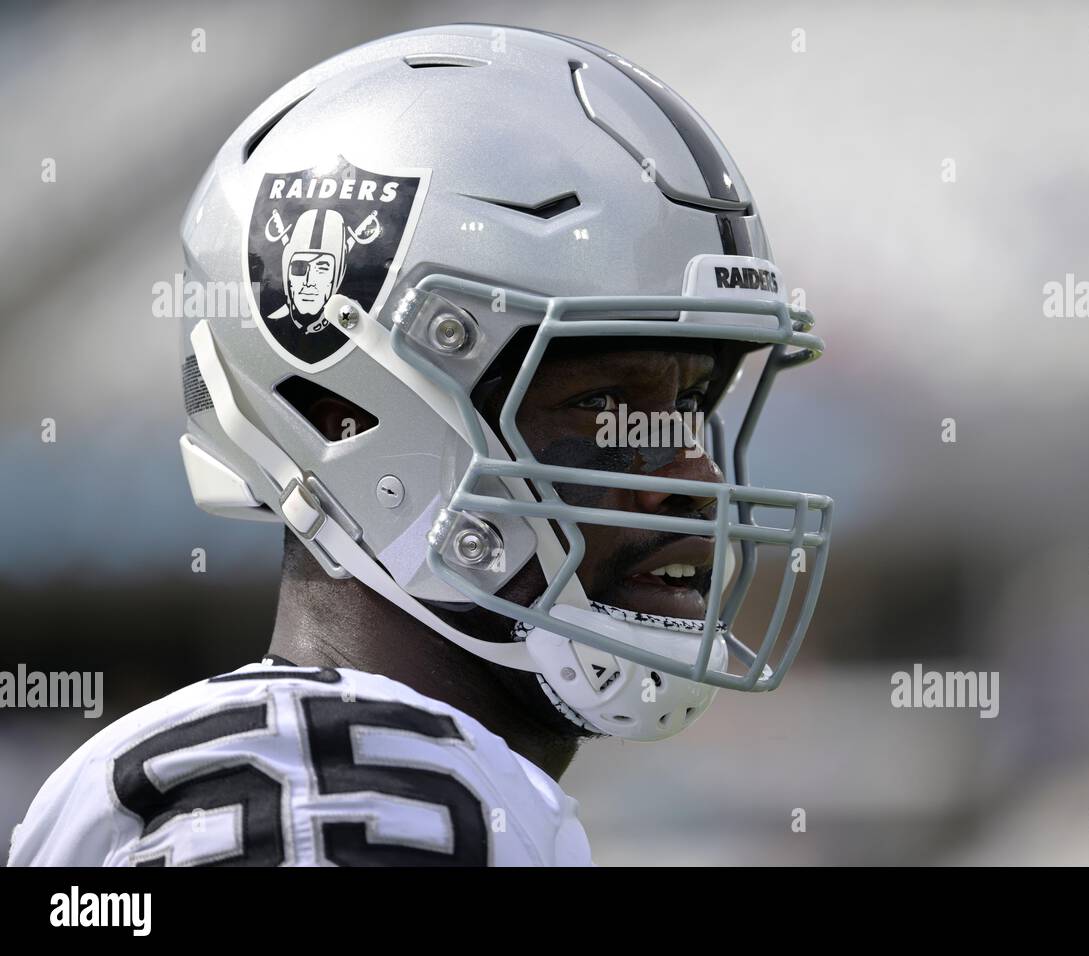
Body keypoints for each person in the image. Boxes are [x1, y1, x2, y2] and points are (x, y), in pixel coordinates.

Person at [8, 23, 832, 867]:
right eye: (601, 404)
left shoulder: (408, 787)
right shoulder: (330, 799)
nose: (693, 475)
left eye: (692, 403)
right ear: (340, 412)